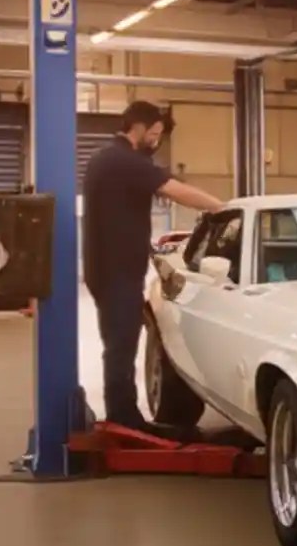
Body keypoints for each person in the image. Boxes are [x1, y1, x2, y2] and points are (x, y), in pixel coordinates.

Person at [82, 101, 225, 431]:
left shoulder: (109, 159)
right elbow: (176, 191)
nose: (157, 141)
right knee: (121, 345)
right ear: (138, 128)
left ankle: (122, 413)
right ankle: (123, 417)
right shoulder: (123, 160)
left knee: (118, 343)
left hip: (109, 268)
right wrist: (223, 208)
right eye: (156, 134)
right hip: (117, 271)